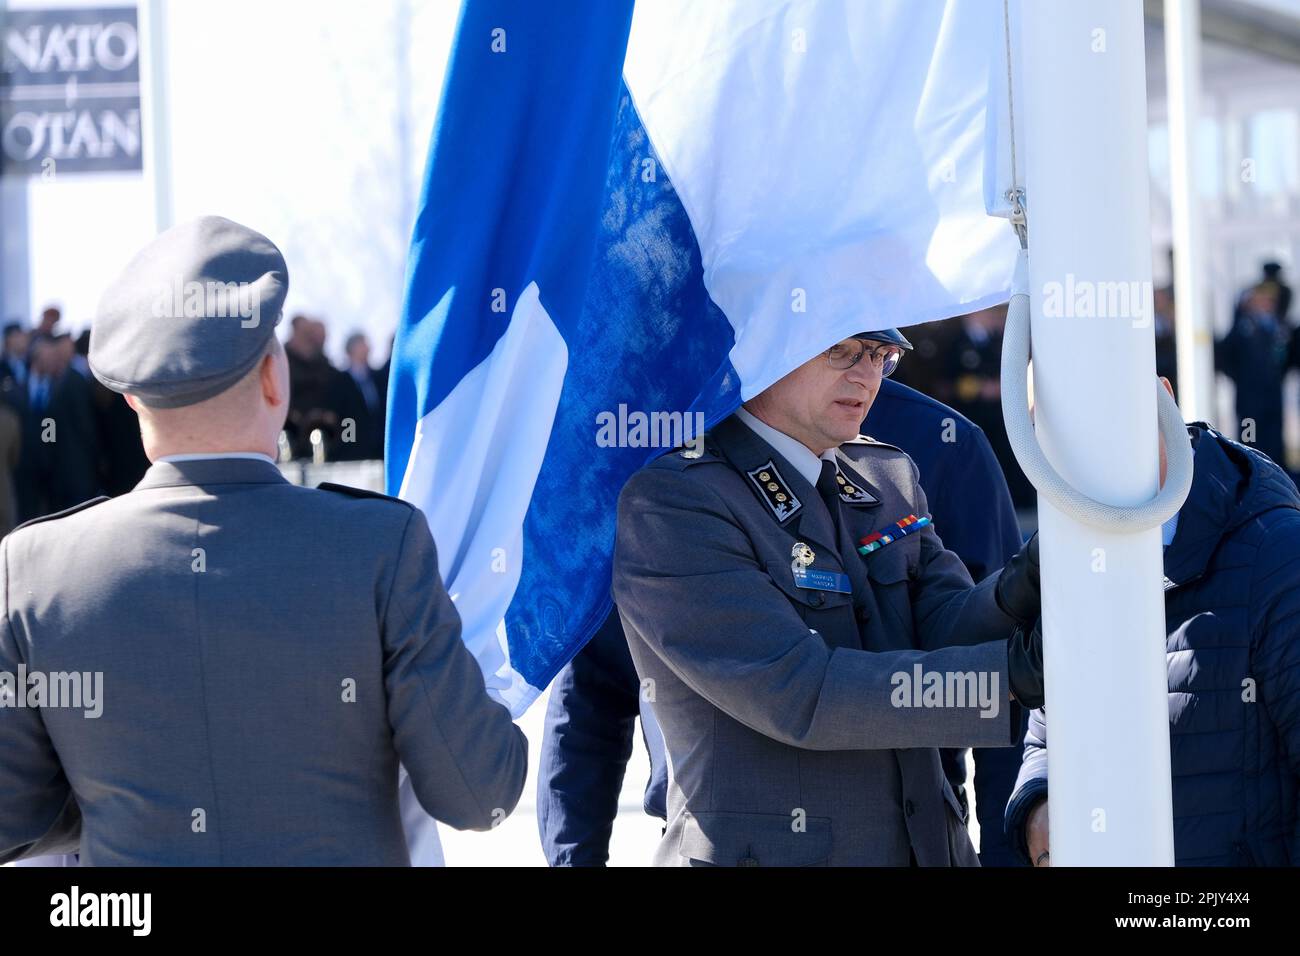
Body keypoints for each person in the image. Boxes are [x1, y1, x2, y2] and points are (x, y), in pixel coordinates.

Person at [0, 216, 527, 865]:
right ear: (274, 380)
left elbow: (14, 818)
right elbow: (481, 793)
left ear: (134, 400)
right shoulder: (379, 547)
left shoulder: (34, 567)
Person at [536, 376, 1027, 866]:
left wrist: (1026, 583)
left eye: (879, 355)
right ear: (777, 342)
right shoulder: (671, 497)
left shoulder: (887, 473)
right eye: (841, 350)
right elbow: (801, 693)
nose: (865, 374)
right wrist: (1008, 676)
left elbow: (947, 628)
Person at [1006, 379, 1300, 867]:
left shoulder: (1275, 554)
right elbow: (1048, 728)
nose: (1069, 444)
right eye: (1044, 426)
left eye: (1092, 410)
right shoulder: (1071, 552)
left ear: (1160, 396)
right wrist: (1038, 805)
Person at [13, 333, 99, 522]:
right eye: (48, 356)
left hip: (66, 471)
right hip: (32, 470)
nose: (53, 360)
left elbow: (72, 427)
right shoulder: (21, 385)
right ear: (37, 357)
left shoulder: (61, 382)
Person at [1217, 284, 1288, 470]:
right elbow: (1226, 357)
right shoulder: (1242, 328)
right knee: (1250, 439)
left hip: (1272, 397)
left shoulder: (1277, 328)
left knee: (1273, 440)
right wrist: (1240, 378)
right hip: (1249, 400)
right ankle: (1251, 471)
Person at [328, 331, 386, 460]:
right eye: (362, 345)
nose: (367, 349)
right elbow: (342, 416)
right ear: (351, 349)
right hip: (353, 447)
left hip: (377, 446)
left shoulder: (377, 377)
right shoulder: (340, 380)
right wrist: (348, 440)